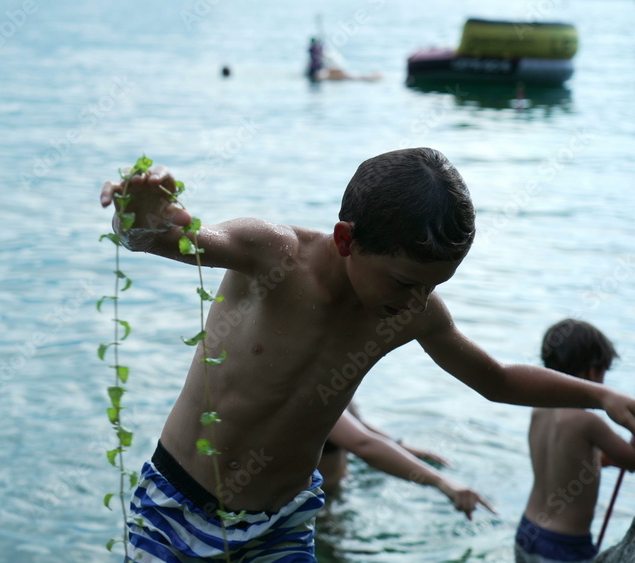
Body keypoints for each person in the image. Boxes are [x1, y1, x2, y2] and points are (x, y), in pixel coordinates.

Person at [98, 147, 635, 562]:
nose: (416, 301)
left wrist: (603, 395)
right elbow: (160, 238)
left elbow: (494, 378)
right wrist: (137, 216)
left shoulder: (413, 311)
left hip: (282, 522)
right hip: (179, 505)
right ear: (346, 239)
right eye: (405, 282)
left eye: (432, 286)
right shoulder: (271, 253)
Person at [515, 319, 635, 563]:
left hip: (527, 530)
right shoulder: (587, 422)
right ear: (592, 371)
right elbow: (632, 462)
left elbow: (562, 462)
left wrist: (600, 461)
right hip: (565, 544)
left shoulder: (539, 410)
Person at [321, 403, 494, 520]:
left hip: (332, 494)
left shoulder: (329, 373)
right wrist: (441, 482)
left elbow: (354, 423)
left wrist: (401, 447)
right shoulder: (313, 385)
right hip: (314, 506)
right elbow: (363, 445)